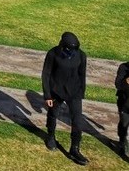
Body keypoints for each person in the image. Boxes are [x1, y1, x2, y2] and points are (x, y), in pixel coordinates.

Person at [42, 32, 89, 165]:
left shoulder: (81, 55)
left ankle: (75, 149)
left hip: (74, 92)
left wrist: (81, 93)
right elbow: (46, 74)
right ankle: (50, 136)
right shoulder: (53, 53)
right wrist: (47, 95)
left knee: (77, 121)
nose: (72, 51)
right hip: (56, 91)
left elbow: (82, 75)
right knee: (53, 114)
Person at [117, 60, 129, 157]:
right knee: (124, 123)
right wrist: (126, 82)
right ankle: (122, 143)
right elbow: (118, 84)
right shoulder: (123, 68)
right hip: (125, 103)